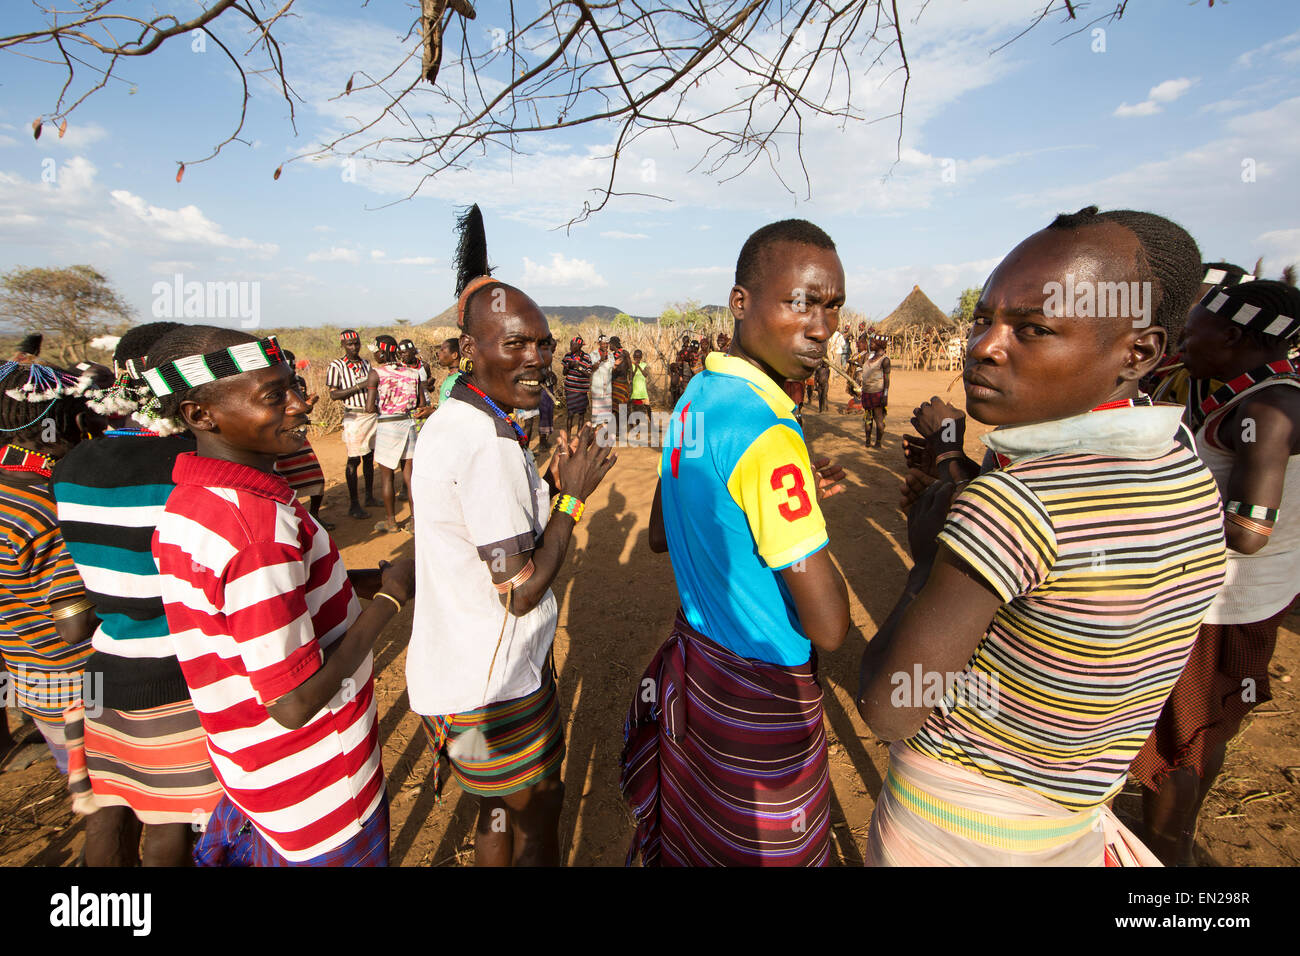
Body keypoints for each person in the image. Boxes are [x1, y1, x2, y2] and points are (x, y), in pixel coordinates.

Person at [859, 206, 1227, 866]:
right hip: (1072, 811)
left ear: (1139, 351)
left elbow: (889, 708)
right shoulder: (1185, 464)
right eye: (984, 318)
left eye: (1032, 328)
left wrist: (933, 551)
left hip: (958, 826)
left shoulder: (1014, 504)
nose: (983, 345)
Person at [622, 219, 850, 867]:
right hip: (761, 699)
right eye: (800, 302)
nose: (821, 326)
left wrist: (784, 500)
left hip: (701, 674)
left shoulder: (697, 395)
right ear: (741, 303)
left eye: (832, 306)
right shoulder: (767, 429)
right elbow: (829, 625)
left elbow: (661, 533)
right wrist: (802, 521)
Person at [147, 325, 414, 867]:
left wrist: (351, 580)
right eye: (275, 396)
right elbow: (293, 703)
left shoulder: (195, 502)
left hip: (255, 770)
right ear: (201, 415)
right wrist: (391, 599)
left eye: (293, 387)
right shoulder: (256, 530)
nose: (300, 405)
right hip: (318, 788)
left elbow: (250, 610)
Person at [408, 204, 616, 866]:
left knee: (493, 805)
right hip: (494, 690)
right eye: (515, 343)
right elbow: (521, 591)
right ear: (469, 349)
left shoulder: (451, 418)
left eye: (542, 343)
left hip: (452, 683)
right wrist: (572, 502)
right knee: (538, 811)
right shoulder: (486, 444)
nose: (536, 359)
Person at [1131, 279, 1300, 866]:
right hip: (1242, 598)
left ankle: (1167, 861)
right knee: (1203, 731)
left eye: (1192, 329)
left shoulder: (1268, 407)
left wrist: (1140, 506)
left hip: (1220, 605)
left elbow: (1248, 533)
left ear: (1231, 335)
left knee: (1180, 738)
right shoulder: (1250, 398)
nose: (1182, 340)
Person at [53, 323, 223, 866]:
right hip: (184, 674)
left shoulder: (71, 467)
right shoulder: (198, 468)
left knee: (125, 815)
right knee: (183, 824)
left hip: (107, 672)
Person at [365, 334, 428, 534]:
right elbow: (421, 404)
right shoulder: (413, 373)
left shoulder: (376, 373)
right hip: (408, 424)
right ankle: (414, 520)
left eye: (375, 350)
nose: (374, 354)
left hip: (387, 426)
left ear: (382, 352)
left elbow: (369, 408)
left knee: (387, 477)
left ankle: (391, 522)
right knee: (410, 476)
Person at [273, 349, 333, 531]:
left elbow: (302, 410)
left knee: (316, 478)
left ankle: (314, 517)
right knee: (284, 484)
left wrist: (309, 404)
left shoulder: (299, 382)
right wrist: (308, 404)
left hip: (300, 435)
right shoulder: (272, 387)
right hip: (280, 439)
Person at [326, 330, 379, 519]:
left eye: (356, 343)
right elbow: (333, 394)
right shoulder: (336, 366)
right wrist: (360, 386)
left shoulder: (366, 363)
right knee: (354, 459)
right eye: (350, 344)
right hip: (354, 417)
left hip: (370, 416)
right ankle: (354, 504)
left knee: (369, 458)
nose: (354, 347)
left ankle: (369, 497)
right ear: (343, 346)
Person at [858, 334, 890, 448]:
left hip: (878, 393)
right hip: (867, 393)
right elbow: (864, 371)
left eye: (872, 343)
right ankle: (868, 441)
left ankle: (878, 442)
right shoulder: (869, 359)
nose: (870, 345)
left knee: (879, 419)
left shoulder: (884, 360)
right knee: (867, 419)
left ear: (880, 345)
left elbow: (887, 380)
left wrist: (885, 395)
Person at [561, 336, 593, 433]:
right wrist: (568, 366)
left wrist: (578, 367)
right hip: (570, 390)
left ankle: (579, 435)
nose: (570, 347)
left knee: (581, 414)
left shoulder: (587, 357)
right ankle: (569, 436)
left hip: (581, 391)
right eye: (570, 344)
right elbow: (564, 373)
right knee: (570, 414)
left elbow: (588, 374)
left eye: (572, 345)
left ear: (579, 346)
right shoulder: (567, 356)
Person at [589, 335, 615, 433]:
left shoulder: (611, 355)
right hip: (597, 387)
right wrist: (600, 360)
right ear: (599, 343)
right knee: (596, 410)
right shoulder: (593, 354)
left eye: (607, 343)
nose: (605, 345)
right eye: (603, 343)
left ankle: (605, 431)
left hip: (607, 387)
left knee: (607, 410)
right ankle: (594, 431)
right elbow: (591, 368)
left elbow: (612, 368)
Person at [609, 335, 631, 440]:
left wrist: (630, 381)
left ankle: (626, 427)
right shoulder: (612, 356)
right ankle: (618, 429)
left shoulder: (625, 353)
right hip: (614, 384)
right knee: (615, 409)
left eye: (610, 344)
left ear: (614, 344)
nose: (609, 346)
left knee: (623, 408)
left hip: (623, 384)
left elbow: (630, 368)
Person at [629, 348, 651, 438]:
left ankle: (652, 424)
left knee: (648, 408)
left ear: (641, 357)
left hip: (643, 391)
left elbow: (645, 375)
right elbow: (631, 377)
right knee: (636, 410)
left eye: (639, 357)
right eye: (636, 357)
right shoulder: (631, 366)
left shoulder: (644, 365)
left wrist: (639, 366)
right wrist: (635, 367)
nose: (637, 359)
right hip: (635, 392)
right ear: (634, 357)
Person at [436, 337, 462, 405]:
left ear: (454, 355)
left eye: (442, 351)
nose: (438, 353)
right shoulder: (450, 377)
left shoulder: (460, 380)